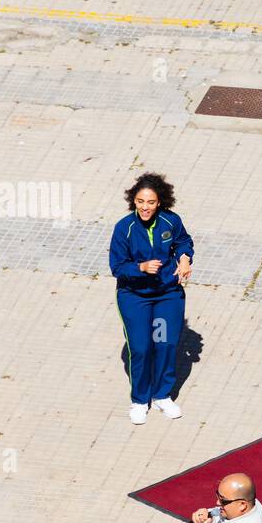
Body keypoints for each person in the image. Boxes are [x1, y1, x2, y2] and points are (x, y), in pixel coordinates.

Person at [109, 172, 193, 425]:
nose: (145, 207)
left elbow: (183, 242)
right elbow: (117, 266)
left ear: (160, 202)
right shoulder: (124, 228)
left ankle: (162, 395)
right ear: (133, 201)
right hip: (135, 296)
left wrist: (185, 258)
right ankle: (139, 399)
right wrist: (141, 268)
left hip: (167, 294)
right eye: (140, 202)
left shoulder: (170, 221)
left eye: (151, 202)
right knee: (141, 348)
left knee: (165, 343)